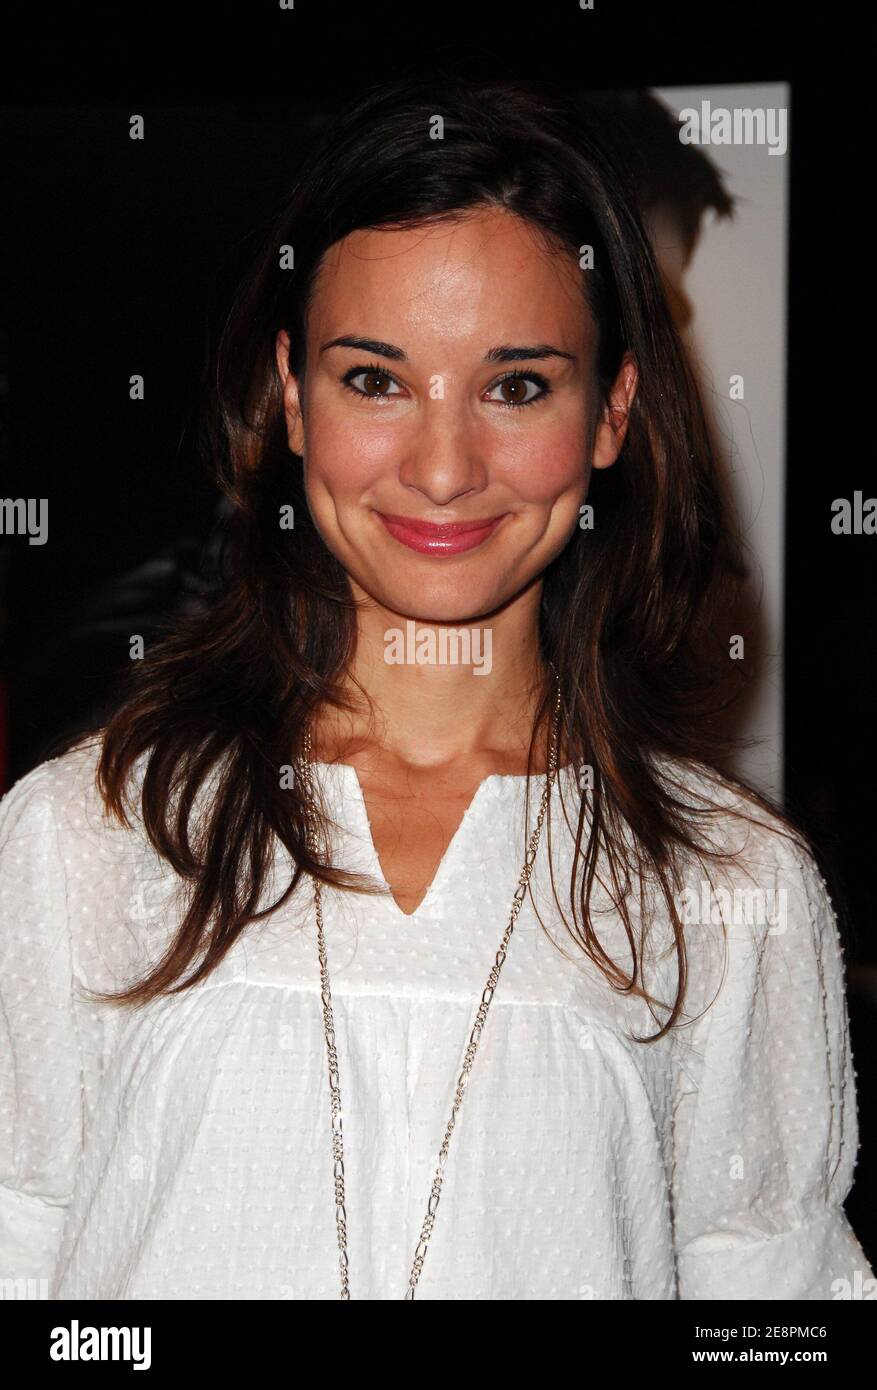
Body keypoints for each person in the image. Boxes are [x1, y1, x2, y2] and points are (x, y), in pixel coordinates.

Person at [0, 73, 871, 1301]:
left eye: (517, 384)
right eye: (375, 380)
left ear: (611, 411)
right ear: (293, 397)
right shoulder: (84, 837)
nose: (444, 466)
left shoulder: (729, 888)